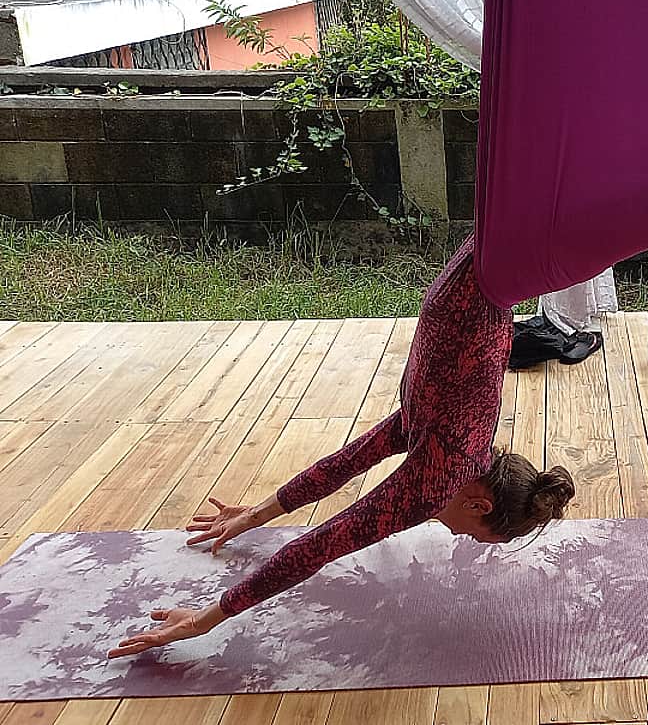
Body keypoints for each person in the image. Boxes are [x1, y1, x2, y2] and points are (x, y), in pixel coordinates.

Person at [108, 235, 576, 658]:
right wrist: (206, 619)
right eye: (472, 532)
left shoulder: (464, 435)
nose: (455, 536)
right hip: (476, 291)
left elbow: (343, 465)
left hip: (476, 277)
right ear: (479, 503)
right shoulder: (438, 480)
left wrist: (254, 516)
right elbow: (320, 546)